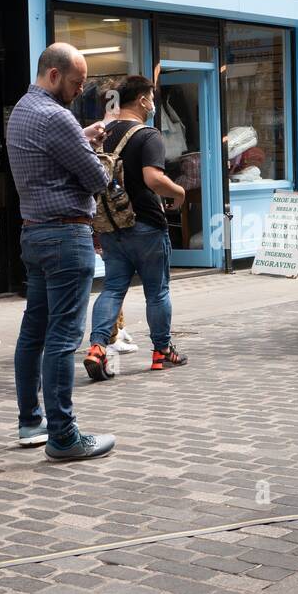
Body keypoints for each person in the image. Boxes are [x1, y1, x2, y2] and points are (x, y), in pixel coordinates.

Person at [7, 42, 115, 459]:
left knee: (34, 330)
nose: (80, 90)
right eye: (76, 82)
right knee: (64, 336)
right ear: (54, 75)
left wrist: (79, 137)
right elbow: (97, 178)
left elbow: (47, 153)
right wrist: (88, 145)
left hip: (34, 234)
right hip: (67, 237)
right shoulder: (57, 117)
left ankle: (30, 421)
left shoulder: (22, 110)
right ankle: (64, 435)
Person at [83, 75, 188, 380]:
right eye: (152, 98)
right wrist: (179, 193)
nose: (153, 104)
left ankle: (98, 348)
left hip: (111, 225)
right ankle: (162, 351)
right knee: (157, 291)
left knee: (114, 286)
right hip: (145, 225)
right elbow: (153, 179)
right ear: (142, 100)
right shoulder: (147, 134)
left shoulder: (102, 131)